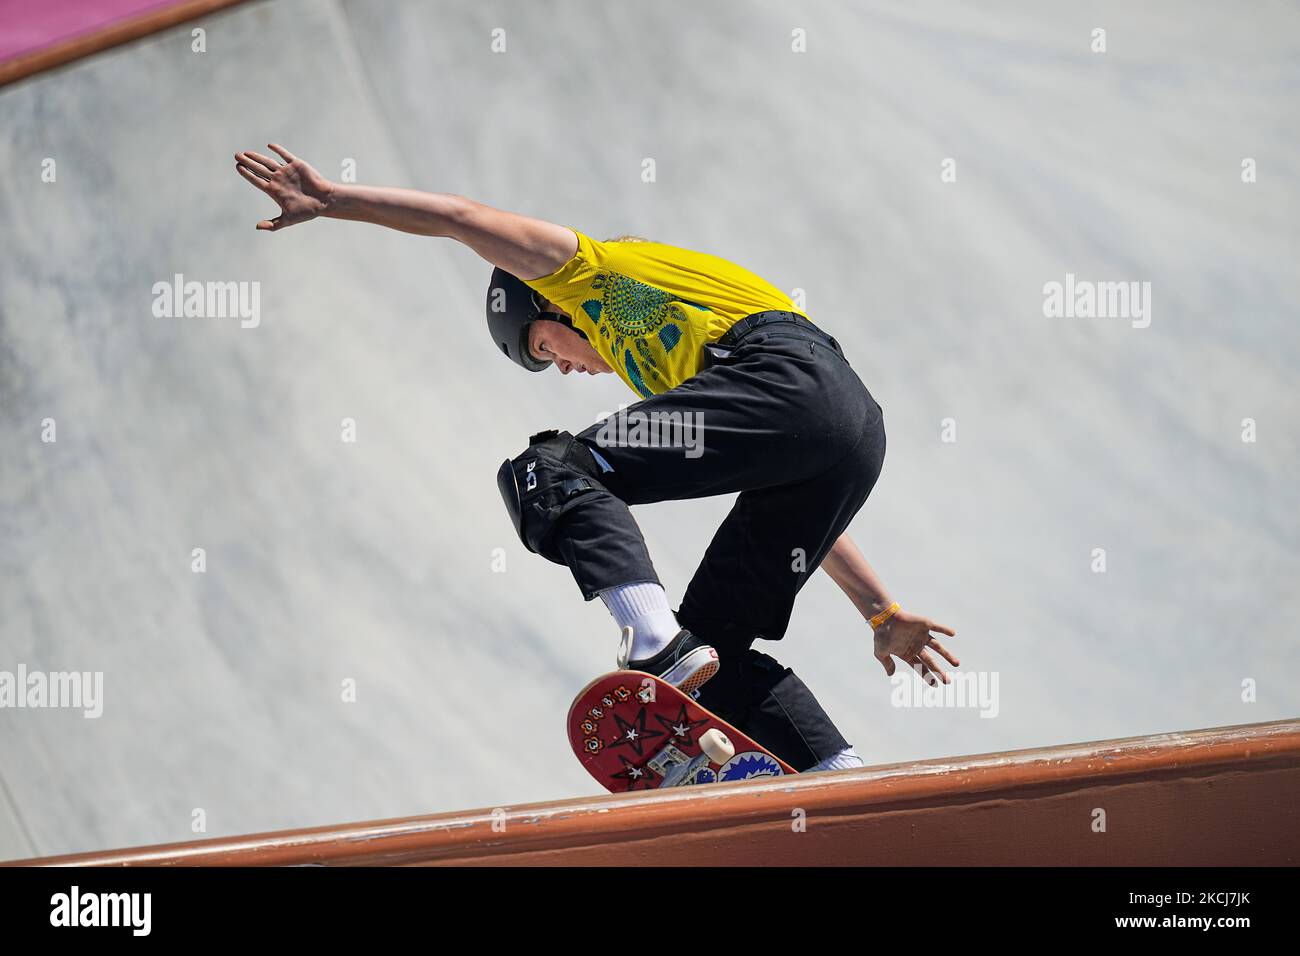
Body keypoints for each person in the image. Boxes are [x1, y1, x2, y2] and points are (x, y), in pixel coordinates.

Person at [235, 143, 959, 773]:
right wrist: (880, 612)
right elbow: (810, 477)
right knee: (716, 654)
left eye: (544, 350)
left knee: (546, 471)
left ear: (550, 309)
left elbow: (457, 216)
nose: (563, 370)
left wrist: (332, 200)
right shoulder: (677, 383)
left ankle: (652, 640)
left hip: (783, 372)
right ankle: (840, 774)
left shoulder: (587, 272)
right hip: (846, 432)